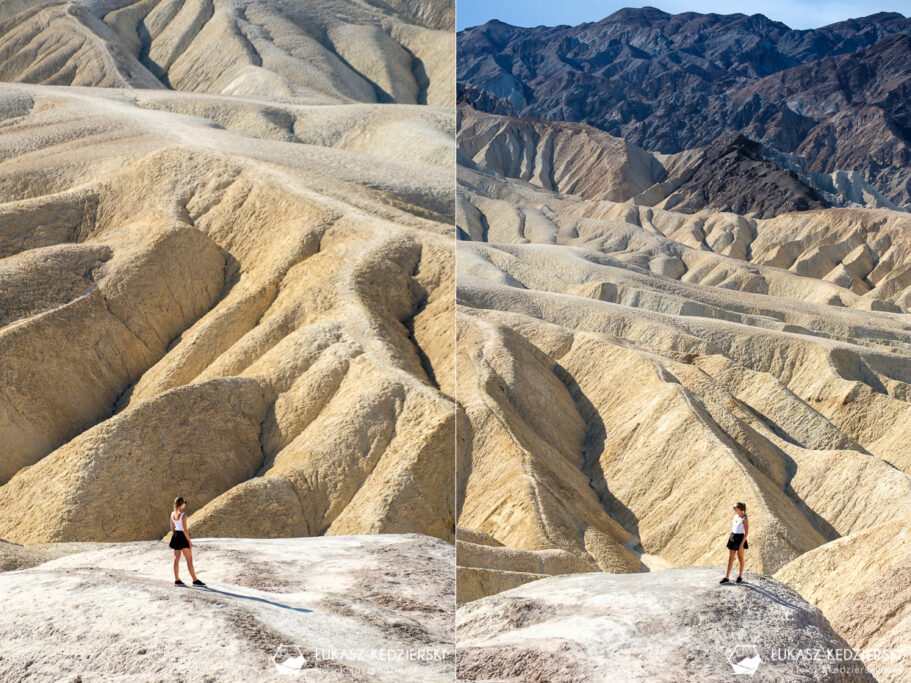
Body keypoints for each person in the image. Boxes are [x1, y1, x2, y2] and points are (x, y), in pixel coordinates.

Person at [169, 496, 205, 587]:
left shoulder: (173, 514)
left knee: (176, 559)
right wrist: (189, 542)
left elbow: (172, 528)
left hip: (176, 535)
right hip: (183, 536)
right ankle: (195, 580)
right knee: (189, 560)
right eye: (184, 502)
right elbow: (185, 530)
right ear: (182, 504)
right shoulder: (183, 515)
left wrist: (175, 537)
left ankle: (177, 580)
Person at [720, 502, 749, 584]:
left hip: (740, 538)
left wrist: (742, 544)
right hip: (733, 537)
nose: (734, 509)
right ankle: (727, 577)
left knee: (740, 558)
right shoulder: (735, 516)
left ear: (740, 509)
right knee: (730, 558)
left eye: (735, 508)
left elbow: (746, 533)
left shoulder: (745, 519)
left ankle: (740, 576)